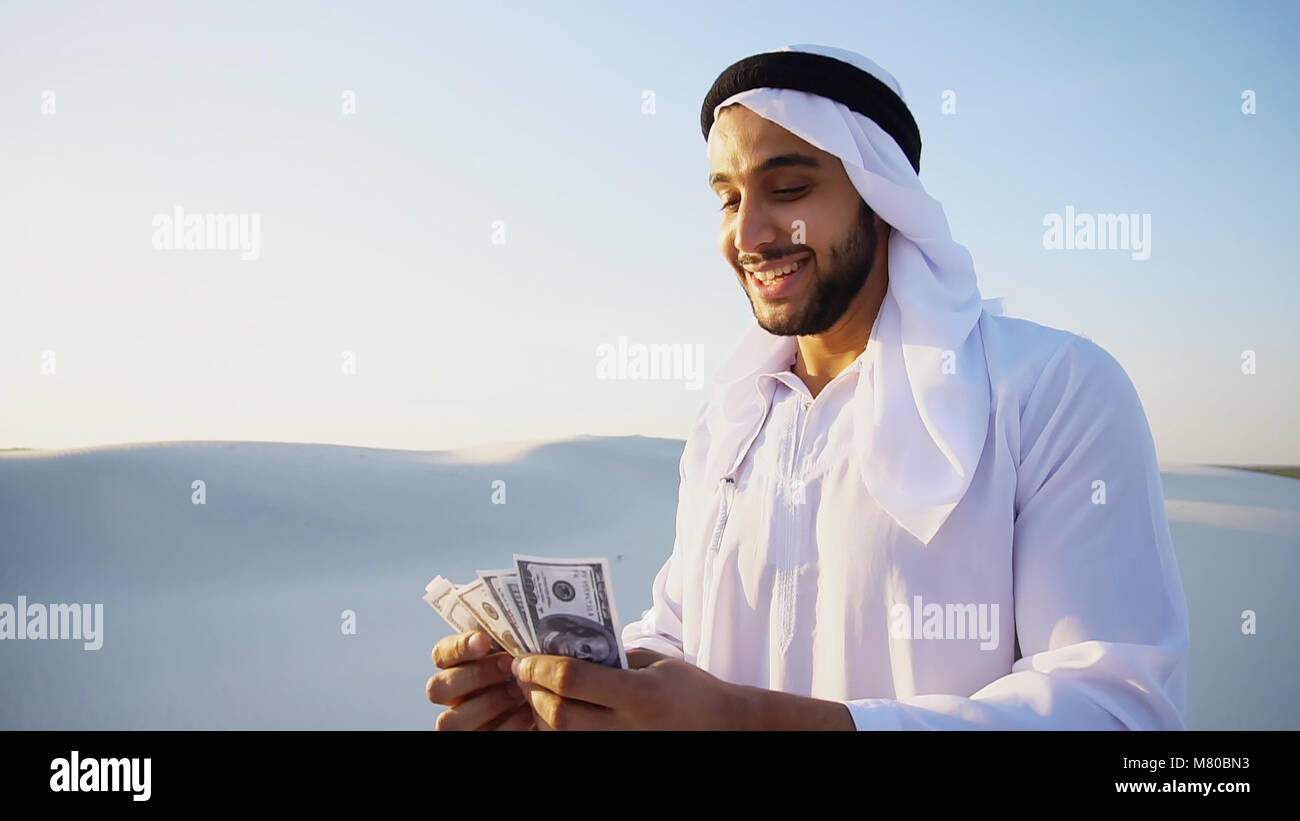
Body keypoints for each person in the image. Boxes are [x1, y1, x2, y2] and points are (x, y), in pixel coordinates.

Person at [426, 44, 1189, 731]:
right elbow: (679, 641)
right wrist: (567, 696)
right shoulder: (731, 420)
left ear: (882, 198)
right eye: (727, 198)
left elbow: (1116, 711)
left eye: (787, 189)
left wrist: (756, 725)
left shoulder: (1052, 390)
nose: (749, 234)